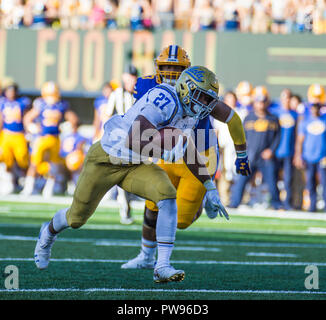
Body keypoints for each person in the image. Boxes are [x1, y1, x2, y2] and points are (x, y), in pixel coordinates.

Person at [34, 65, 249, 283]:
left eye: (208, 100)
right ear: (186, 88)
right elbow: (134, 139)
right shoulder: (165, 98)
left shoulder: (191, 111)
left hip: (135, 164)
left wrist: (209, 187)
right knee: (76, 218)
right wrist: (164, 149)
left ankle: (162, 265)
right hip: (107, 158)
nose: (203, 104)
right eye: (200, 97)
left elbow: (189, 150)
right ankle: (47, 233)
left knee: (166, 194)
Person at [121, 46, 250, 270]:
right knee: (153, 206)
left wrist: (242, 155)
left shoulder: (198, 87)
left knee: (180, 221)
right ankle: (146, 255)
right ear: (158, 68)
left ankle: (202, 199)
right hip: (168, 153)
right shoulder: (146, 85)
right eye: (167, 67)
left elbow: (233, 119)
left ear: (186, 71)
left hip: (199, 153)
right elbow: (141, 124)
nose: (171, 73)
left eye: (176, 68)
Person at [21, 81, 79, 197]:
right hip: (42, 138)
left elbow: (73, 119)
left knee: (54, 165)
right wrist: (31, 127)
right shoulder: (40, 104)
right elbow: (27, 118)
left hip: (55, 138)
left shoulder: (61, 105)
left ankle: (49, 188)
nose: (52, 97)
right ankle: (29, 187)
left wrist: (67, 126)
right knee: (34, 163)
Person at [229, 86, 282, 209]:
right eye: (258, 101)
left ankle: (277, 204)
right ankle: (234, 202)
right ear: (255, 102)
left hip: (266, 156)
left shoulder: (273, 119)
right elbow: (242, 136)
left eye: (263, 101)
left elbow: (278, 137)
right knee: (241, 181)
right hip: (251, 155)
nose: (261, 104)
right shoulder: (249, 118)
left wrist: (271, 150)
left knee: (272, 182)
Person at [106, 64, 139, 225]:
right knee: (123, 176)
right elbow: (107, 117)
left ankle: (128, 203)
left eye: (132, 79)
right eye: (127, 79)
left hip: (140, 140)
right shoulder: (116, 95)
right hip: (121, 141)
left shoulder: (141, 94)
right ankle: (125, 209)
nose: (129, 82)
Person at [294, 103, 326, 212]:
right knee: (310, 182)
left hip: (322, 157)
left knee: (324, 182)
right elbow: (300, 141)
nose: (314, 111)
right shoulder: (305, 122)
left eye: (317, 108)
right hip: (308, 157)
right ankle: (312, 206)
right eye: (313, 108)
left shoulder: (324, 120)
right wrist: (298, 155)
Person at [0, 83, 30, 195]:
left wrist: (28, 130)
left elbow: (26, 117)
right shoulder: (2, 103)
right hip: (6, 134)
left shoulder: (22, 102)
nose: (11, 93)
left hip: (19, 134)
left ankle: (24, 180)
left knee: (22, 158)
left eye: (12, 91)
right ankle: (9, 182)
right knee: (5, 158)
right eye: (9, 91)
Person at [273, 89, 298, 210]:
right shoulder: (275, 113)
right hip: (276, 151)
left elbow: (298, 135)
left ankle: (287, 203)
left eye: (288, 98)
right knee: (273, 179)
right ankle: (276, 202)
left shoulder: (296, 115)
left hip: (289, 152)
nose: (285, 100)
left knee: (288, 180)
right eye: (284, 97)